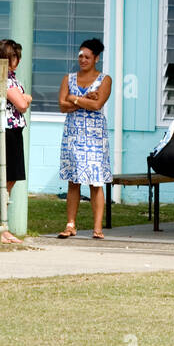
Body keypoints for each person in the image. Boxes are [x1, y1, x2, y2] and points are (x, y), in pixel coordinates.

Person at [58, 38, 113, 240]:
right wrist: (82, 100)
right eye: (80, 55)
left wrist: (74, 98)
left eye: (87, 56)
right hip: (73, 134)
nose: (82, 59)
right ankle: (70, 224)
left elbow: (97, 105)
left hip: (95, 135)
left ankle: (97, 228)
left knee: (95, 181)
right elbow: (62, 105)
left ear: (96, 58)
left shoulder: (105, 80)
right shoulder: (68, 78)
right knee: (74, 180)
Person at [0, 39, 30, 244]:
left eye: (16, 57)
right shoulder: (4, 79)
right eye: (13, 56)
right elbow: (22, 104)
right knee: (5, 180)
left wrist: (24, 97)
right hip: (6, 131)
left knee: (11, 180)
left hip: (15, 130)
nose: (16, 61)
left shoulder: (12, 78)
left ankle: (3, 225)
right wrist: (27, 98)